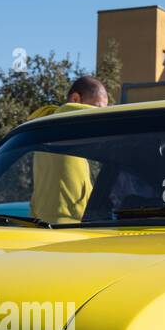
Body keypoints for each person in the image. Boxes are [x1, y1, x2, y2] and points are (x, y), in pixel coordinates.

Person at [28, 76, 109, 223]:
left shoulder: (51, 128)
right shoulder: (63, 116)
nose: (98, 115)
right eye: (96, 108)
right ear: (76, 99)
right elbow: (70, 110)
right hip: (66, 223)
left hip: (54, 221)